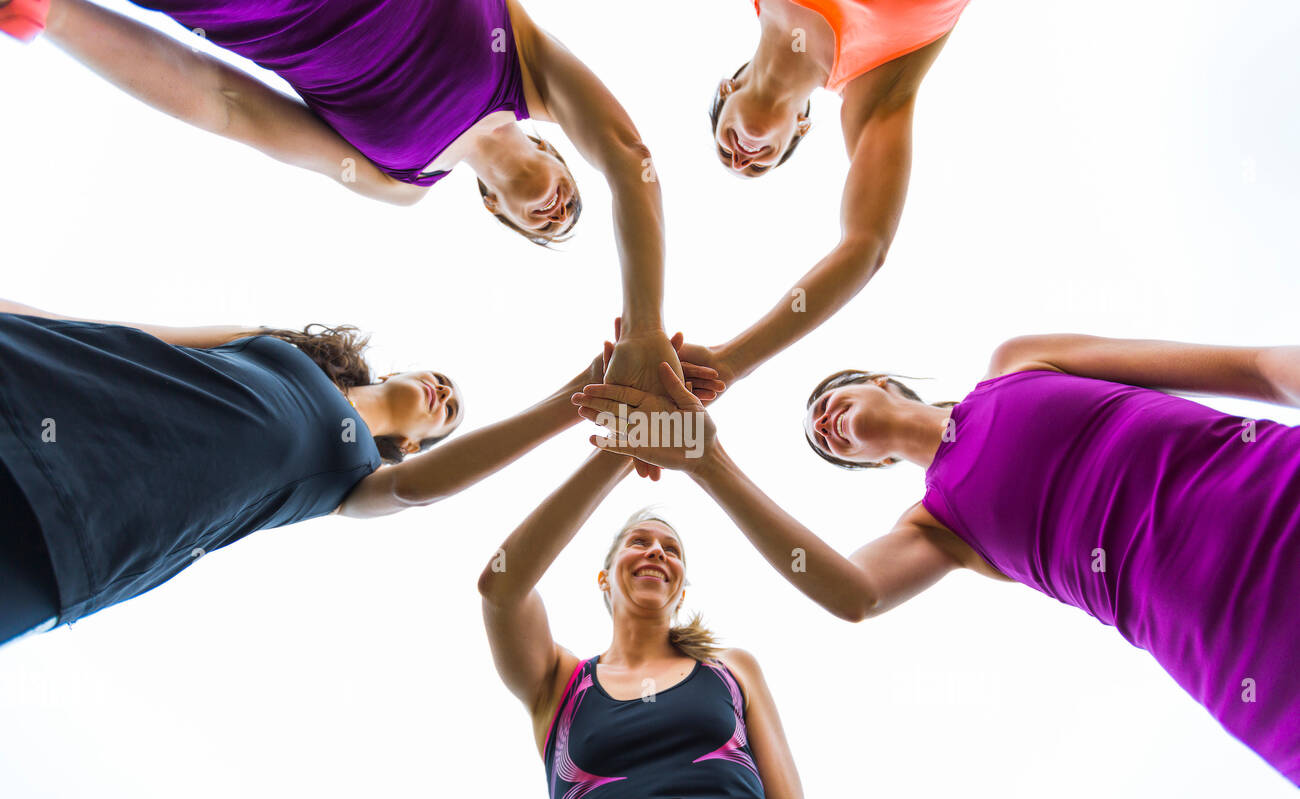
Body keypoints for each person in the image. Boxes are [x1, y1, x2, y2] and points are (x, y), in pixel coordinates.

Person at [572, 335, 1300, 786]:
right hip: (1242, 651)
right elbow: (850, 593)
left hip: (1277, 484)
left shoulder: (1019, 363)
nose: (827, 422)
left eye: (830, 398)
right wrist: (708, 462)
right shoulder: (940, 526)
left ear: (882, 382)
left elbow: (1258, 368)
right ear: (864, 460)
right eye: (826, 442)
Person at [2, 0, 686, 396]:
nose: (558, 211)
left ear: (493, 208)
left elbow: (229, 105)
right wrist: (648, 330)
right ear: (554, 148)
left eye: (547, 227)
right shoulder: (526, 60)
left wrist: (57, 16)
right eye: (573, 204)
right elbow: (629, 158)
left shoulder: (399, 181)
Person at [0, 295, 642, 644]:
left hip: (86, 531)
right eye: (442, 382)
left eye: (449, 414)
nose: (444, 393)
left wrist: (576, 396)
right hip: (41, 386)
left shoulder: (356, 480)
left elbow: (420, 493)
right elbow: (131, 332)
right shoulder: (272, 344)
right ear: (397, 372)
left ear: (416, 445)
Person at [477, 452, 830, 799]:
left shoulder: (731, 669)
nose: (657, 552)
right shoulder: (557, 682)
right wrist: (623, 451)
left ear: (681, 590)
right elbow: (501, 587)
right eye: (639, 542)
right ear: (604, 578)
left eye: (671, 549)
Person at [677, 0, 971, 392]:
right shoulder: (875, 93)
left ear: (726, 90)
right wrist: (730, 363)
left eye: (724, 150)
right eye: (758, 165)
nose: (740, 158)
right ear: (801, 128)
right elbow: (865, 247)